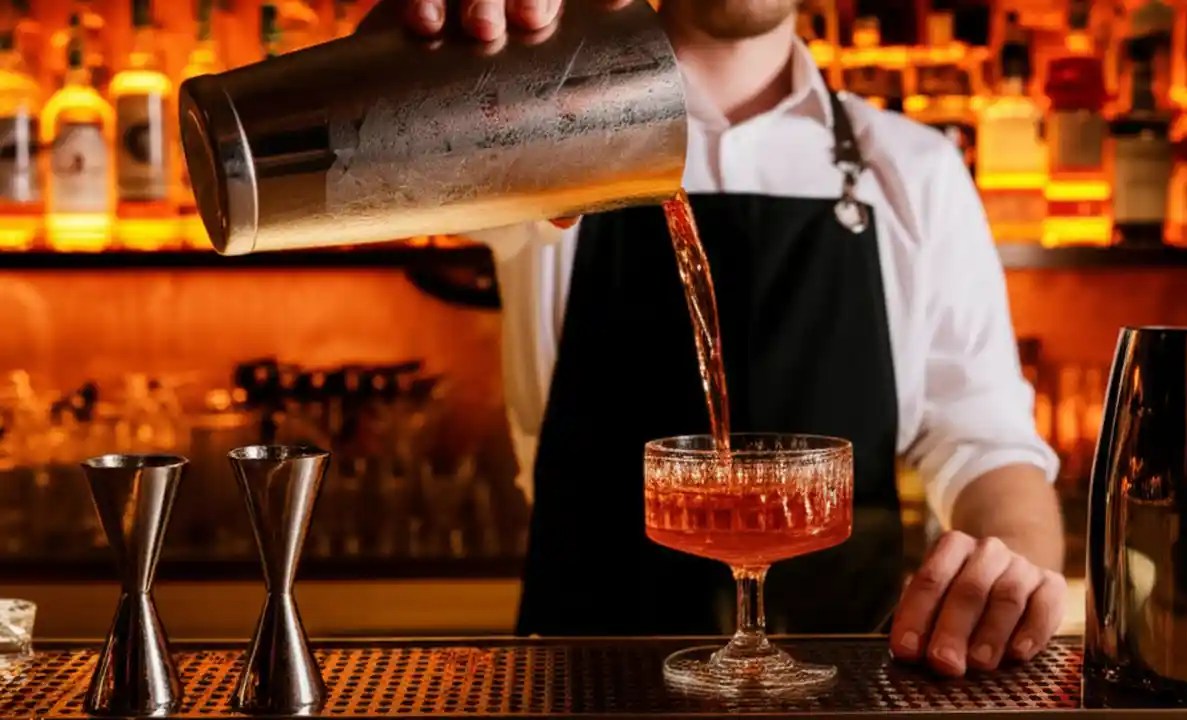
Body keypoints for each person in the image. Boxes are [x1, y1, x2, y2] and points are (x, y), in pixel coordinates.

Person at [365, 0, 1067, 677]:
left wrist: (1009, 574)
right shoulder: (540, 135)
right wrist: (419, 55)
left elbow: (987, 446)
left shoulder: (914, 168)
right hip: (581, 679)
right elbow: (374, 153)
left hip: (850, 679)